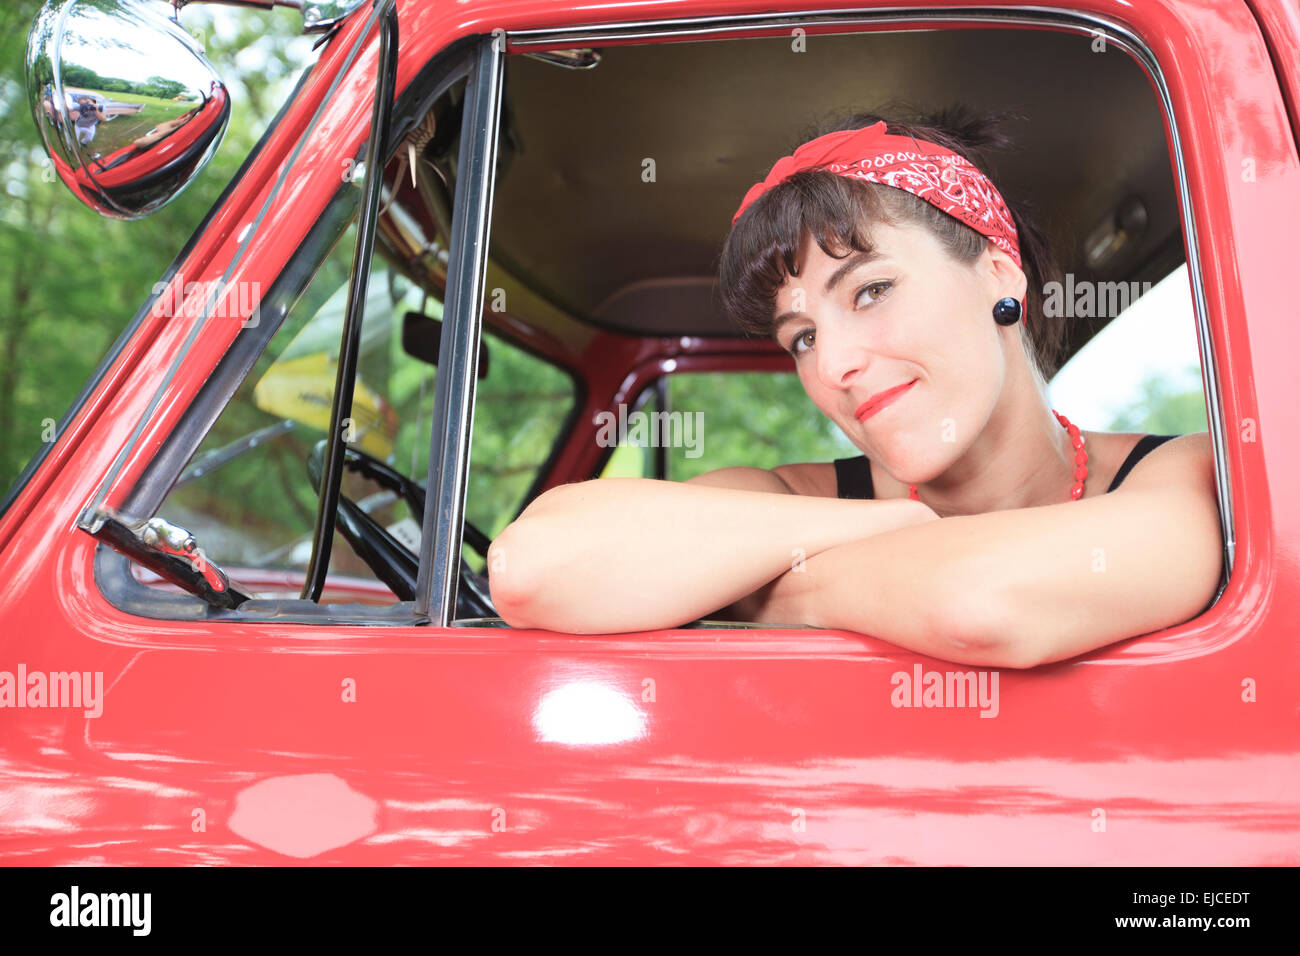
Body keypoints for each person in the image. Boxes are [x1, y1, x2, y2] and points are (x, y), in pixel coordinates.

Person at [486, 108, 1223, 668]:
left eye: (870, 291)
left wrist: (767, 587)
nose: (833, 365)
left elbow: (980, 602)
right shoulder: (802, 502)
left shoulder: (1181, 473)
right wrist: (880, 530)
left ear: (998, 273)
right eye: (801, 338)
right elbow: (533, 567)